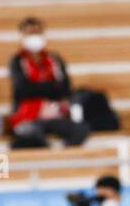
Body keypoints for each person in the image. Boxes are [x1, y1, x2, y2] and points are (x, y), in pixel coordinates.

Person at [8, 17, 89, 147]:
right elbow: (23, 89)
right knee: (33, 136)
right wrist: (51, 88)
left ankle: (65, 158)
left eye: (37, 32)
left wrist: (42, 89)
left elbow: (66, 87)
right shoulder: (17, 61)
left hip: (55, 115)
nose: (34, 36)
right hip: (29, 116)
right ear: (22, 36)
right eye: (30, 33)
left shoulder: (54, 60)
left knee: (81, 129)